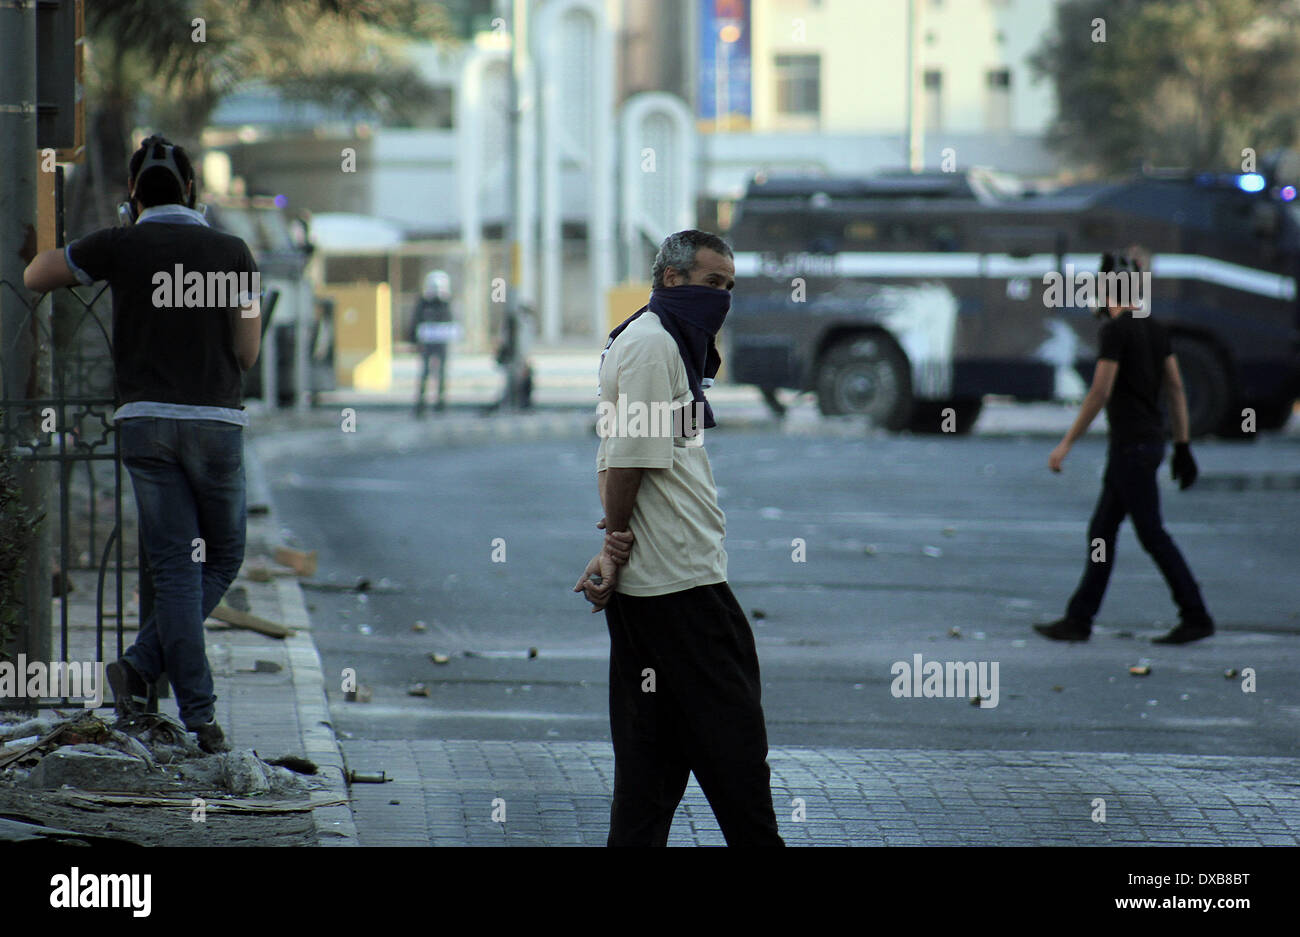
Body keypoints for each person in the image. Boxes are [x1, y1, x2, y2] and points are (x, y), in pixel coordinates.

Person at [23, 134, 261, 751]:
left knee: (176, 571)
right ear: (192, 191)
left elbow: (36, 273)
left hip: (145, 423)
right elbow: (247, 351)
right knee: (223, 557)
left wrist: (116, 237)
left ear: (133, 195)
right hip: (214, 423)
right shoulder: (233, 251)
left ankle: (164, 689)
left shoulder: (121, 245)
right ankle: (169, 694)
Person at [573, 229, 785, 846]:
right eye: (711, 283)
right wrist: (613, 541)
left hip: (663, 580)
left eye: (728, 287)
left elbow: (630, 460)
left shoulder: (666, 341)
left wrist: (615, 544)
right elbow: (628, 460)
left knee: (652, 769)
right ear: (672, 279)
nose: (721, 298)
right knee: (737, 754)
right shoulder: (650, 345)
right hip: (681, 590)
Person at [1036, 248, 1214, 645]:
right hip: (1147, 446)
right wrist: (1182, 445)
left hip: (1130, 449)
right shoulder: (1153, 328)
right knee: (1102, 531)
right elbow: (1176, 387)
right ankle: (1079, 619)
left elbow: (1099, 392)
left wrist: (1065, 445)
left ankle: (1196, 614)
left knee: (1152, 534)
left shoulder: (1116, 332)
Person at [410, 270, 456, 417]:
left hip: (441, 343)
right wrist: (415, 340)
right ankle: (421, 402)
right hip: (427, 344)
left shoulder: (446, 303)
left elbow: (450, 321)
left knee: (441, 373)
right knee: (425, 373)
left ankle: (440, 402)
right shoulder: (423, 303)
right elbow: (416, 321)